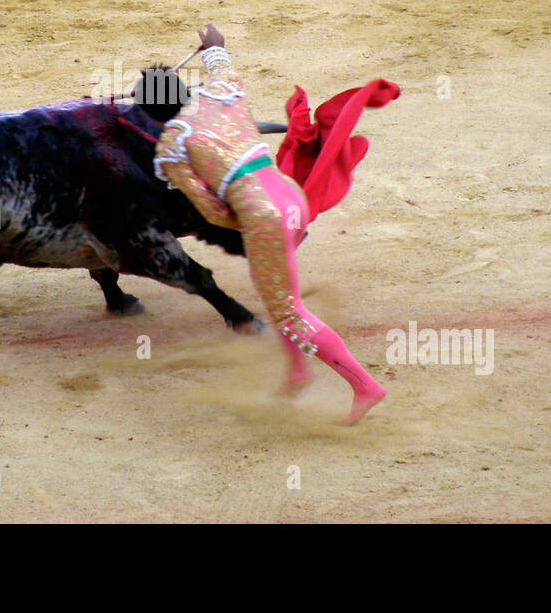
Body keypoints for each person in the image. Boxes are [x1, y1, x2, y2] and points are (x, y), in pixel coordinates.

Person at [149, 24, 387, 424]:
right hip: (290, 195)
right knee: (283, 299)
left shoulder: (171, 143)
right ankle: (297, 371)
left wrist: (244, 224)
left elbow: (208, 210)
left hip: (264, 217)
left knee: (288, 310)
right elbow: (220, 58)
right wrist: (212, 47)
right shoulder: (223, 89)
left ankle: (365, 386)